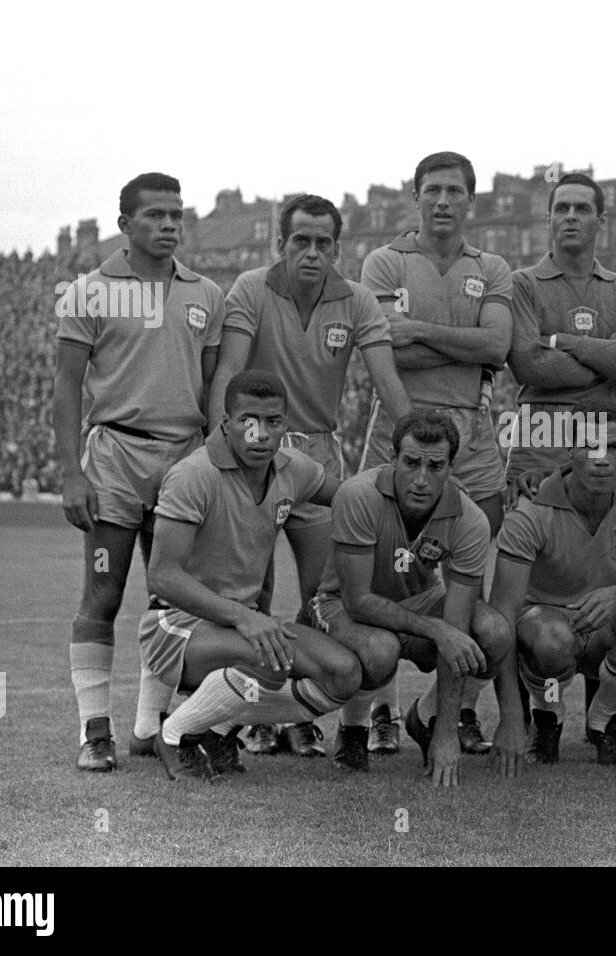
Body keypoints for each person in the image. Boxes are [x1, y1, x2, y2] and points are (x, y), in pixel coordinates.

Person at [207, 193, 412, 758]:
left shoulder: (359, 300)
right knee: (250, 593)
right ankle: (243, 718)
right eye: (301, 241)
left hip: (318, 458)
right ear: (281, 244)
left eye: (324, 243)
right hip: (254, 452)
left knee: (323, 592)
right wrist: (217, 448)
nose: (312, 252)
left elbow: (387, 384)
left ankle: (298, 711)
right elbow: (230, 372)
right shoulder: (251, 288)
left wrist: (418, 441)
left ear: (338, 248)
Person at [53, 172, 225, 771]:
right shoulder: (89, 292)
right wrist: (72, 474)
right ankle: (92, 732)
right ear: (125, 224)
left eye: (176, 214)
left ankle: (147, 727)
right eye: (154, 215)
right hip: (115, 461)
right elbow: (67, 386)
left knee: (170, 600)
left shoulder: (205, 293)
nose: (169, 225)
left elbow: (213, 389)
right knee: (101, 595)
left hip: (183, 459)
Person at [354, 152, 513, 756]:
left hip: (472, 437)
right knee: (379, 572)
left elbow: (497, 344)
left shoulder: (492, 267)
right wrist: (463, 350)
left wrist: (419, 331)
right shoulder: (385, 261)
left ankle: (451, 711)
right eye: (432, 190)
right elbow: (382, 355)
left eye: (455, 191)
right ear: (414, 196)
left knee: (466, 577)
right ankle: (378, 713)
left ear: (471, 201)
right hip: (399, 428)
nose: (443, 201)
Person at [140, 371, 362, 780]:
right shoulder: (194, 475)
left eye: (273, 422)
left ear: (285, 426)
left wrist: (407, 490)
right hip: (175, 628)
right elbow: (163, 577)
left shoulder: (292, 468)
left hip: (245, 627)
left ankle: (218, 727)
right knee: (267, 657)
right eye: (248, 420)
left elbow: (354, 497)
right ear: (226, 423)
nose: (260, 434)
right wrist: (244, 617)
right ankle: (174, 734)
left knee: (343, 672)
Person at [504, 172, 616, 747]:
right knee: (537, 591)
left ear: (601, 221)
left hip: (600, 441)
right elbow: (528, 367)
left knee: (606, 575)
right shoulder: (522, 283)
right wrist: (610, 356)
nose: (571, 217)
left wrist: (564, 342)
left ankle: (604, 720)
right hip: (540, 443)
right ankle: (545, 711)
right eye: (561, 208)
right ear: (548, 219)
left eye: (582, 209)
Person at [310, 410, 523, 787]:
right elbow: (359, 600)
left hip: (422, 601)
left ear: (451, 467)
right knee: (380, 650)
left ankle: (426, 719)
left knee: (493, 632)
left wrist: (445, 732)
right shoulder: (358, 495)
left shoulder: (470, 520)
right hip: (341, 604)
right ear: (393, 459)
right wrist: (436, 629)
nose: (422, 479)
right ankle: (354, 727)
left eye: (436, 466)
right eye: (411, 463)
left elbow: (457, 624)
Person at [489, 400, 616, 766]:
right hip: (545, 633)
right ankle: (548, 718)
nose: (602, 458)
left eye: (613, 447)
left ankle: (603, 722)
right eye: (589, 445)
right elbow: (501, 618)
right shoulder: (531, 509)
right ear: (570, 450)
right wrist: (510, 718)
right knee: (551, 640)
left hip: (605, 629)